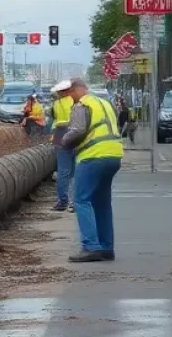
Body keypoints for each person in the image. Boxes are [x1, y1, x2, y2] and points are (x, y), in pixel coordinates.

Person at [60, 77, 123, 262]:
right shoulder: (105, 103)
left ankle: (91, 246)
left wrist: (64, 142)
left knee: (81, 200)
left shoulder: (82, 105)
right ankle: (106, 247)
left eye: (70, 92)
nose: (69, 97)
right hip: (113, 155)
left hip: (93, 156)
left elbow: (78, 130)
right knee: (102, 203)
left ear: (76, 89)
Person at [50, 79, 75, 212]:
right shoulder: (75, 102)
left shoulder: (56, 104)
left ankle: (62, 201)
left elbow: (53, 119)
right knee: (75, 172)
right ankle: (73, 202)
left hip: (59, 136)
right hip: (74, 133)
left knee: (63, 172)